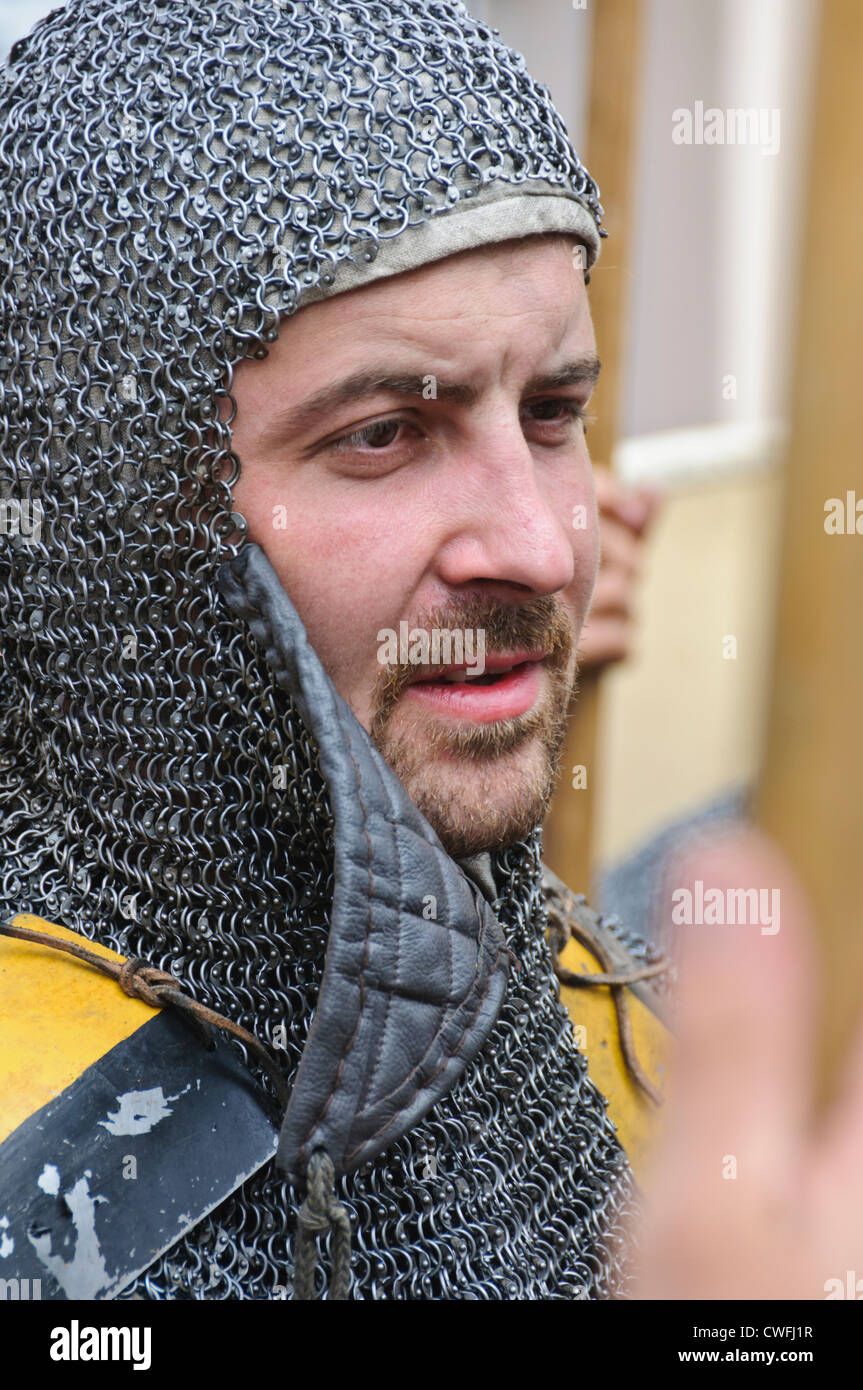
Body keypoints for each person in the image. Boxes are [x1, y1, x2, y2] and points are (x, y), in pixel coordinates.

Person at [1, 0, 860, 1306]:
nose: (542, 548)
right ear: (111, 515)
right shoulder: (42, 1174)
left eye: (553, 411)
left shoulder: (611, 1033)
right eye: (384, 434)